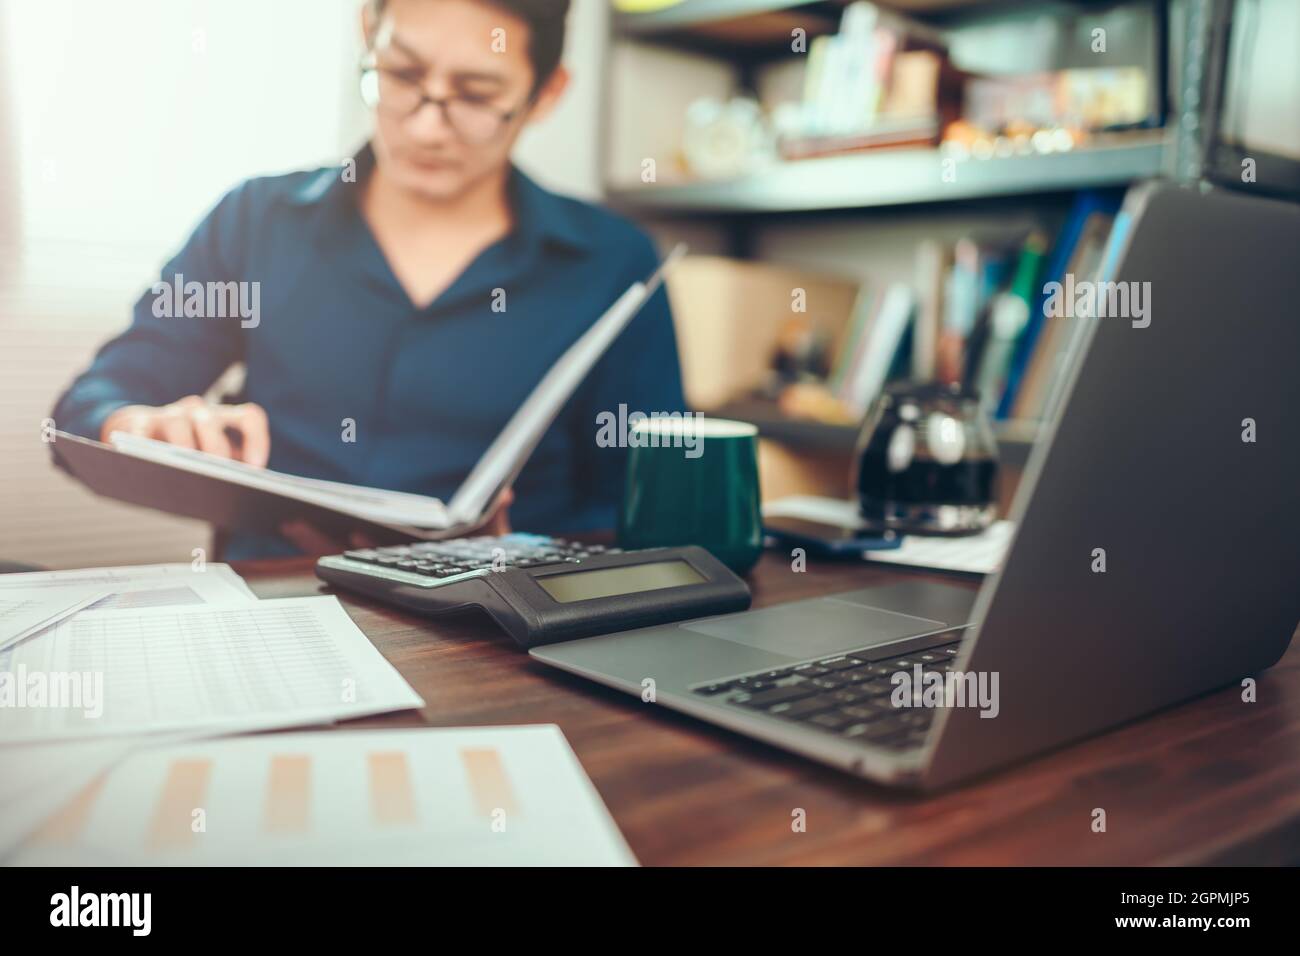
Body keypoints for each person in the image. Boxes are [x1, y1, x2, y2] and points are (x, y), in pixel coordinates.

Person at [51, 0, 685, 558]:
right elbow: (88, 406)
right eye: (403, 75)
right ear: (368, 34)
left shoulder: (613, 263)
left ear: (547, 93)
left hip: (498, 642)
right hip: (280, 604)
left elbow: (644, 511)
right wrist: (133, 425)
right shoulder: (256, 220)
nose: (426, 125)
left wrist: (521, 554)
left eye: (475, 95)